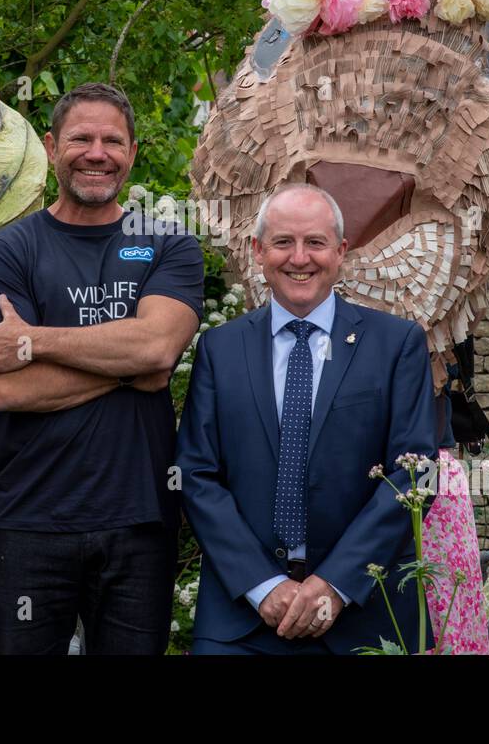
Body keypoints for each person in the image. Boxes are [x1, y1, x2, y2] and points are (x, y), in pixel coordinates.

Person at [0, 82, 203, 655]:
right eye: (81, 138)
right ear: (50, 147)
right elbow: (6, 389)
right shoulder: (8, 251)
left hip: (138, 521)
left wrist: (34, 340)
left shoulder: (168, 243)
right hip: (26, 521)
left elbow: (157, 351)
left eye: (112, 141)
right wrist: (130, 366)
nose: (97, 153)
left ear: (132, 153)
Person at [176, 183, 438, 654]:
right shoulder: (220, 349)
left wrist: (334, 585)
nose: (300, 258)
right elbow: (196, 474)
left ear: (340, 252)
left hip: (366, 614)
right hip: (243, 619)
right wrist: (262, 585)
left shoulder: (397, 345)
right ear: (258, 251)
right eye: (283, 242)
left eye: (315, 242)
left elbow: (414, 473)